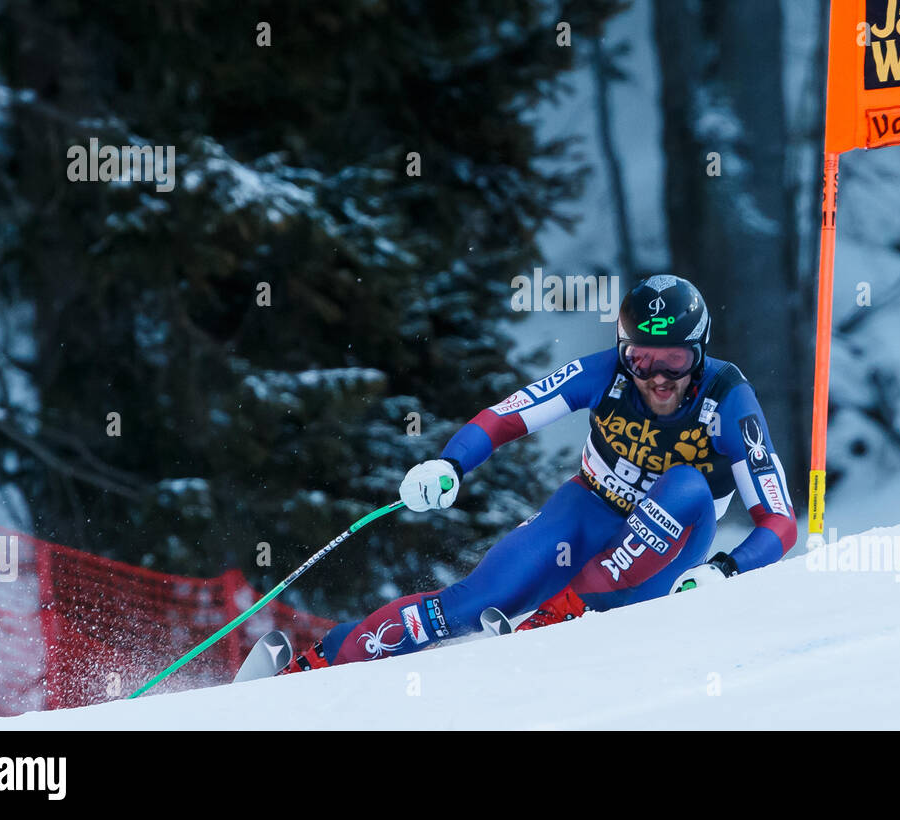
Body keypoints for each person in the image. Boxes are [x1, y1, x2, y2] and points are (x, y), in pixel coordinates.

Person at [280, 274, 797, 672]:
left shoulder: (728, 398)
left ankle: (564, 613)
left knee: (687, 484)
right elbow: (509, 415)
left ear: (700, 354)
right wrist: (450, 463)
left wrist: (725, 570)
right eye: (642, 361)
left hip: (664, 548)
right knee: (469, 603)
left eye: (676, 361)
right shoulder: (603, 373)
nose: (658, 379)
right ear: (624, 351)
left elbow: (779, 520)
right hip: (588, 511)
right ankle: (324, 661)